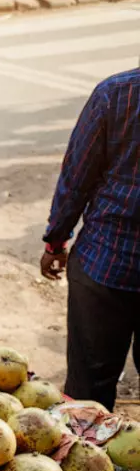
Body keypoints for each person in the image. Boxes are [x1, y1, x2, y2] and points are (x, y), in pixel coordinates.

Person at [40, 67, 140, 411]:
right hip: (104, 265)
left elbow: (76, 177)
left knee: (88, 391)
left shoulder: (116, 93)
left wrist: (56, 241)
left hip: (104, 264)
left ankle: (91, 458)